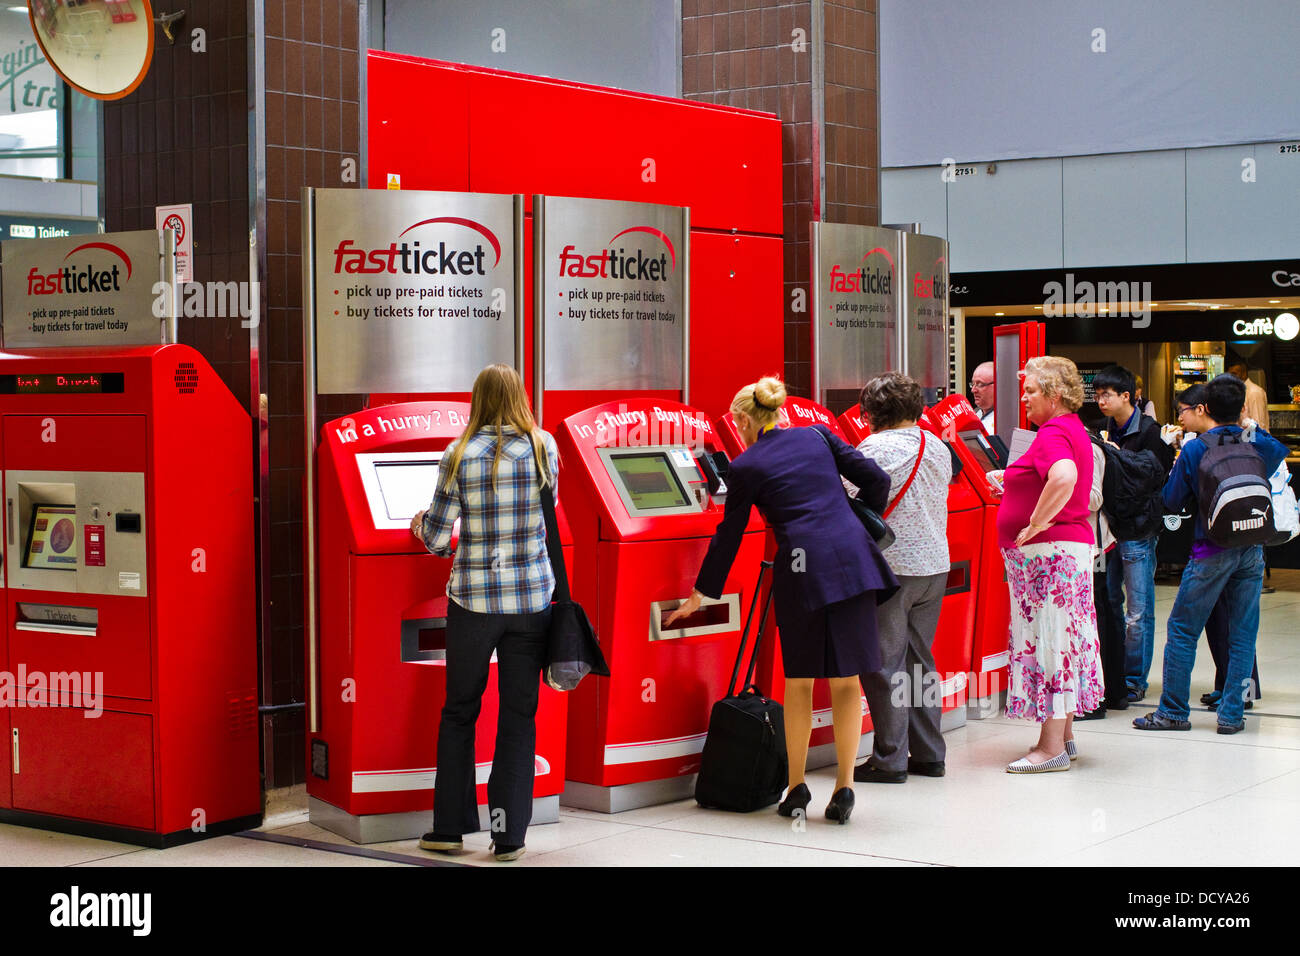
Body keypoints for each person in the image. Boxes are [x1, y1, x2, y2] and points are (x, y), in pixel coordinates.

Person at [666, 376, 897, 824]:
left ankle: (796, 788)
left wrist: (700, 594)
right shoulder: (817, 435)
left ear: (746, 420)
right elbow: (877, 479)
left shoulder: (747, 465)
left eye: (739, 423)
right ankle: (845, 788)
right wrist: (853, 517)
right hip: (853, 561)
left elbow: (728, 535)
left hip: (801, 569)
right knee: (848, 680)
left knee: (800, 682)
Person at [410, 364, 560, 862]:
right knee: (519, 716)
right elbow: (546, 517)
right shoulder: (544, 448)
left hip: (473, 602)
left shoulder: (458, 454)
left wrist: (417, 526)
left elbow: (436, 537)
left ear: (477, 399)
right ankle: (508, 836)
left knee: (460, 712)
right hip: (531, 601)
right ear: (518, 397)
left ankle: (449, 831)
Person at [1135, 375, 1286, 735]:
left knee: (1184, 629)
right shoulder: (1255, 443)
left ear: (1205, 408)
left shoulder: (1195, 448)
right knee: (1243, 632)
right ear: (1243, 408)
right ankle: (1232, 714)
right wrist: (1250, 423)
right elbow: (1277, 452)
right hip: (1251, 548)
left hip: (1210, 549)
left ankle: (1172, 711)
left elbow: (1172, 500)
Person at [990, 356, 1103, 772]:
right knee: (1065, 640)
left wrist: (1037, 522)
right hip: (1065, 552)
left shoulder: (1054, 430)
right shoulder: (1071, 427)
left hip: (1049, 556)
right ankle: (1065, 734)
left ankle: (1049, 747)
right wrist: (1013, 479)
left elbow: (1064, 476)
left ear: (1054, 395)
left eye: (1032, 390)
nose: (1024, 397)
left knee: (1050, 642)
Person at [851, 372, 951, 783]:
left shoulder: (875, 446)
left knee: (883, 664)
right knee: (919, 664)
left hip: (892, 569)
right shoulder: (938, 445)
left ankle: (889, 758)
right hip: (935, 565)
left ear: (872, 412)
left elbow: (846, 494)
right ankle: (929, 754)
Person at [1092, 365, 1174, 703]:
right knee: (1110, 602)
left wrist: (1117, 456)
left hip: (1139, 529)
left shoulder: (1152, 433)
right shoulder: (1101, 430)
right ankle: (1112, 673)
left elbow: (1153, 481)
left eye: (1106, 395)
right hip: (1108, 529)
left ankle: (1133, 679)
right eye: (1097, 395)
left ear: (1127, 396)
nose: (1100, 401)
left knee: (1138, 610)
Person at [1078, 432, 1124, 721]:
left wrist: (1054, 487)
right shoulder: (1086, 444)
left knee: (1100, 616)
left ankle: (1103, 696)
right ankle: (1110, 692)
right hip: (1091, 542)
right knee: (1102, 613)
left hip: (1096, 544)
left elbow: (1093, 499)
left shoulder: (1089, 447)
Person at [1228, 363, 1270, 432]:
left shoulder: (1254, 392)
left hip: (1254, 441)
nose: (1231, 377)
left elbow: (1258, 425)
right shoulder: (1239, 391)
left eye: (1234, 374)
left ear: (1244, 374)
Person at [970, 360, 996, 436]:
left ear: (997, 385)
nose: (973, 390)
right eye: (973, 384)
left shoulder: (1006, 421)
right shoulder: (973, 415)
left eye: (980, 384)